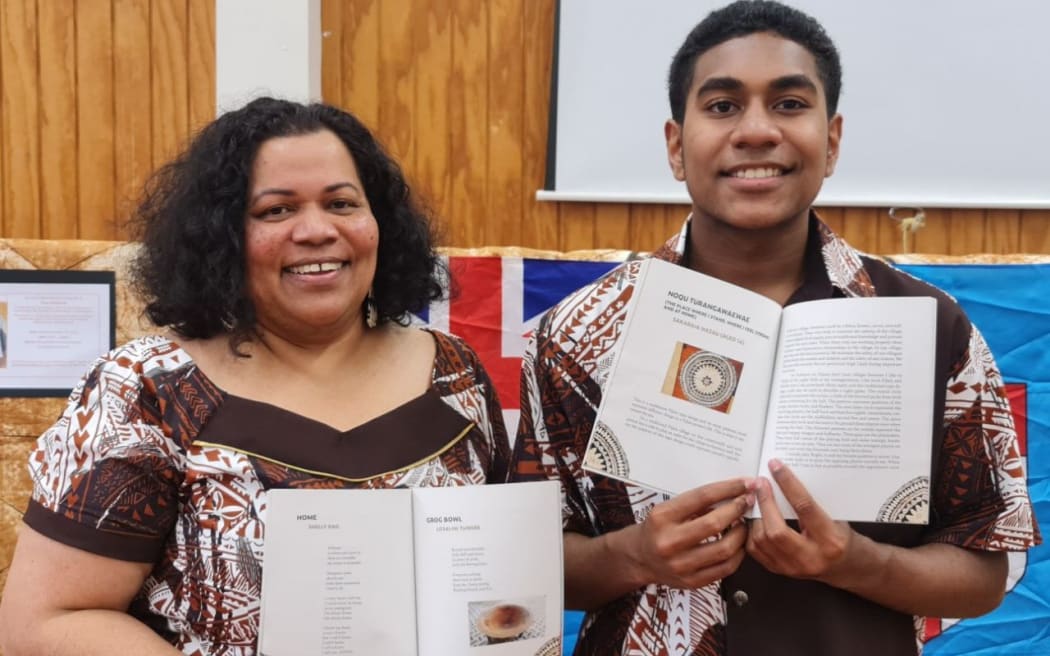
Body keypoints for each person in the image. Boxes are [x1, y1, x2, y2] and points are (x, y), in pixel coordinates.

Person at [508, 2, 1040, 654]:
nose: (757, 131)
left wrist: (859, 562)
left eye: (789, 103)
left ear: (833, 140)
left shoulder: (930, 329)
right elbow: (524, 561)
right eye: (723, 106)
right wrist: (635, 555)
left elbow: (989, 562)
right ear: (676, 146)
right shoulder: (578, 334)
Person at [0, 98, 511, 656]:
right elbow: (42, 623)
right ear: (221, 236)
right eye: (275, 210)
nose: (316, 230)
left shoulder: (454, 374)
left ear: (380, 224)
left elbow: (494, 577)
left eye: (341, 203)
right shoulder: (146, 389)